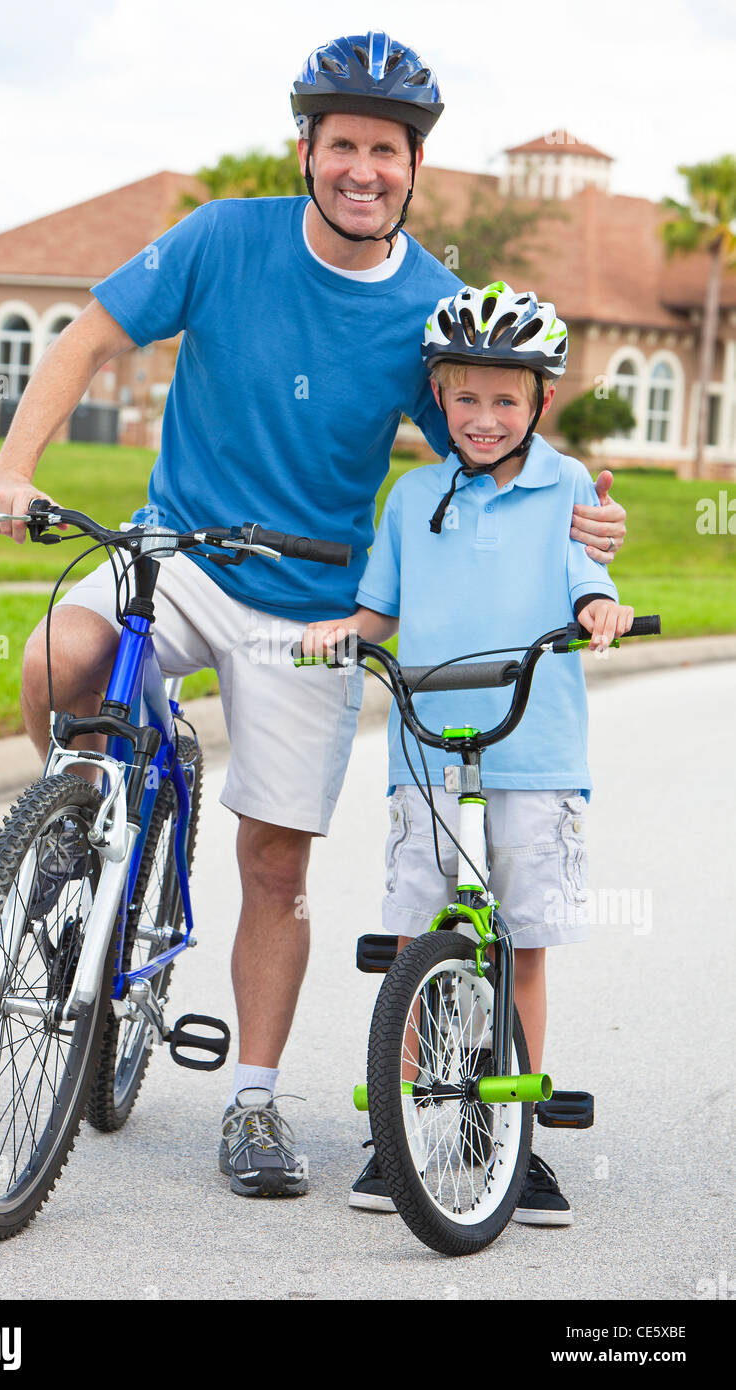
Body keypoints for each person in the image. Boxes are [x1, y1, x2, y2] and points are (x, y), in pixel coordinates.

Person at [0, 32, 626, 1200]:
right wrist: (15, 469)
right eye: (341, 146)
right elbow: (87, 336)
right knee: (53, 659)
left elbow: (487, 424)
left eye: (385, 149)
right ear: (307, 150)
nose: (360, 168)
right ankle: (81, 844)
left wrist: (576, 508)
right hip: (179, 549)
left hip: (314, 599)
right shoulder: (224, 237)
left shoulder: (429, 301)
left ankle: (253, 1101)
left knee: (273, 862)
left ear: (412, 166)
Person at [302, 280, 634, 1222]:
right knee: (417, 933)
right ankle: (398, 1134)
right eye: (466, 398)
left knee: (523, 940)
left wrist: (600, 608)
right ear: (438, 399)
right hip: (425, 746)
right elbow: (381, 607)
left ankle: (514, 1140)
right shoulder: (413, 496)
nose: (483, 418)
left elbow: (588, 579)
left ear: (539, 403)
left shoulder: (567, 484)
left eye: (506, 399)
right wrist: (345, 632)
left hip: (533, 749)